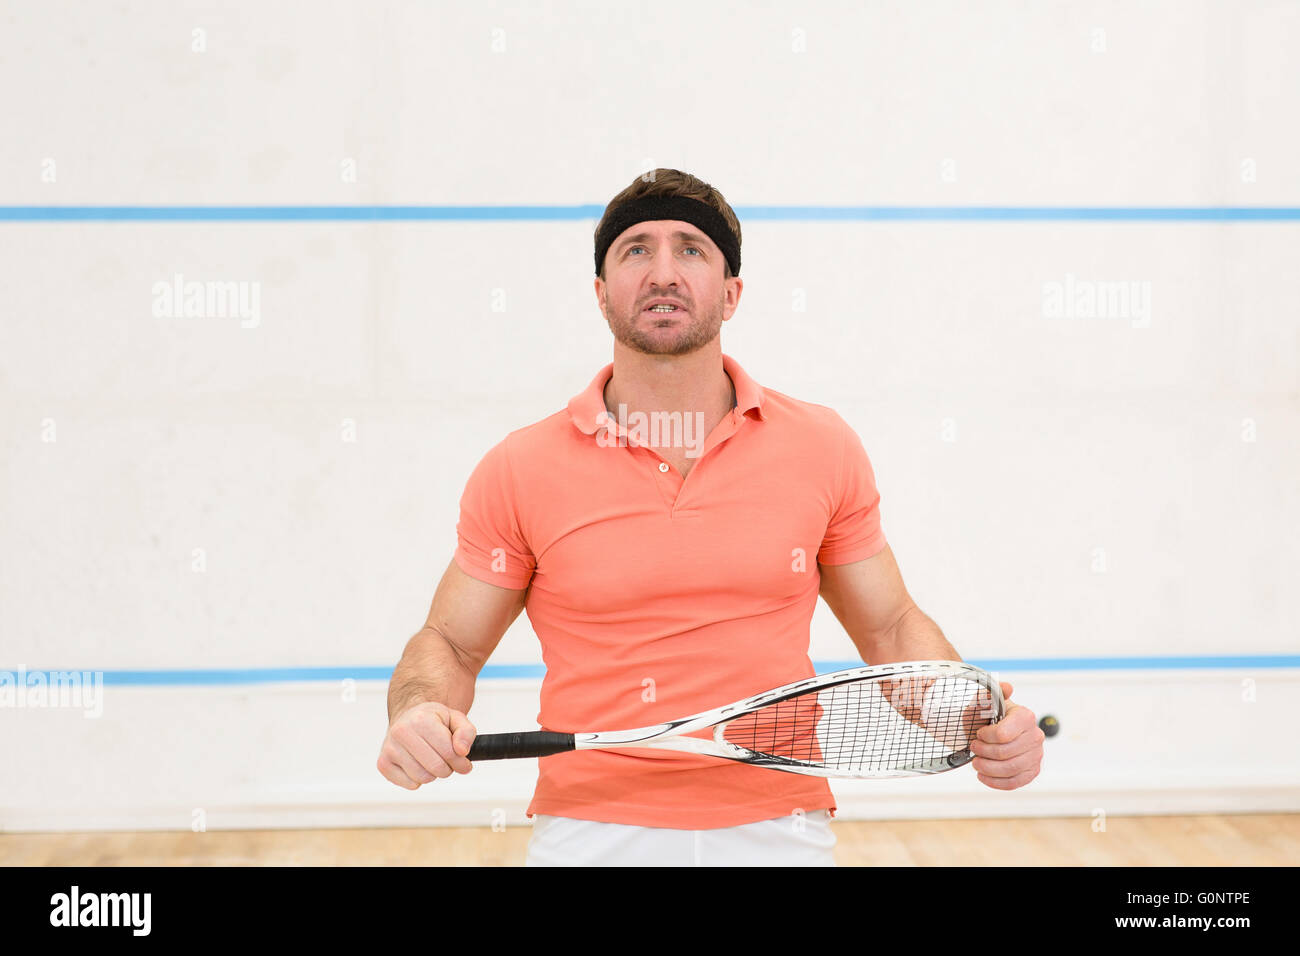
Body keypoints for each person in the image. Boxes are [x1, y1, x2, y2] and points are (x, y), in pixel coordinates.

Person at [377, 169, 1044, 865]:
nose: (662, 271)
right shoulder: (520, 467)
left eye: (691, 249)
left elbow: (888, 624)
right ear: (601, 293)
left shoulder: (821, 446)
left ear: (731, 292)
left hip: (779, 822)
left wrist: (964, 715)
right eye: (635, 249)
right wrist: (417, 712)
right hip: (592, 827)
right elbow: (450, 644)